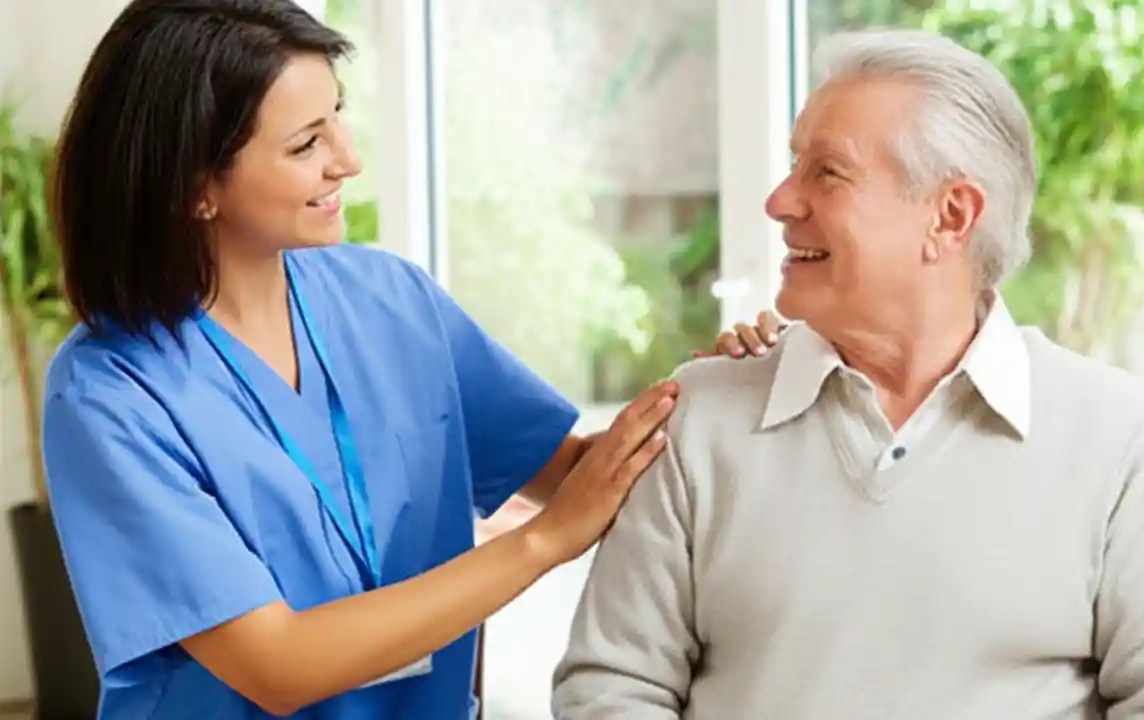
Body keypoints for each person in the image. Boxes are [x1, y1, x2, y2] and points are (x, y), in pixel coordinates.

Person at [40, 1, 762, 718]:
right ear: (195, 185)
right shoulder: (110, 394)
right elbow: (277, 665)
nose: (348, 159)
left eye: (339, 116)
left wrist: (727, 396)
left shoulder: (392, 300)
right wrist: (541, 543)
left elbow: (575, 476)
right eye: (305, 144)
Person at [551, 28, 1144, 719]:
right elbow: (611, 689)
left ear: (950, 217)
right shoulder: (701, 420)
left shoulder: (1116, 437)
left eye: (826, 172)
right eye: (794, 163)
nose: (780, 201)